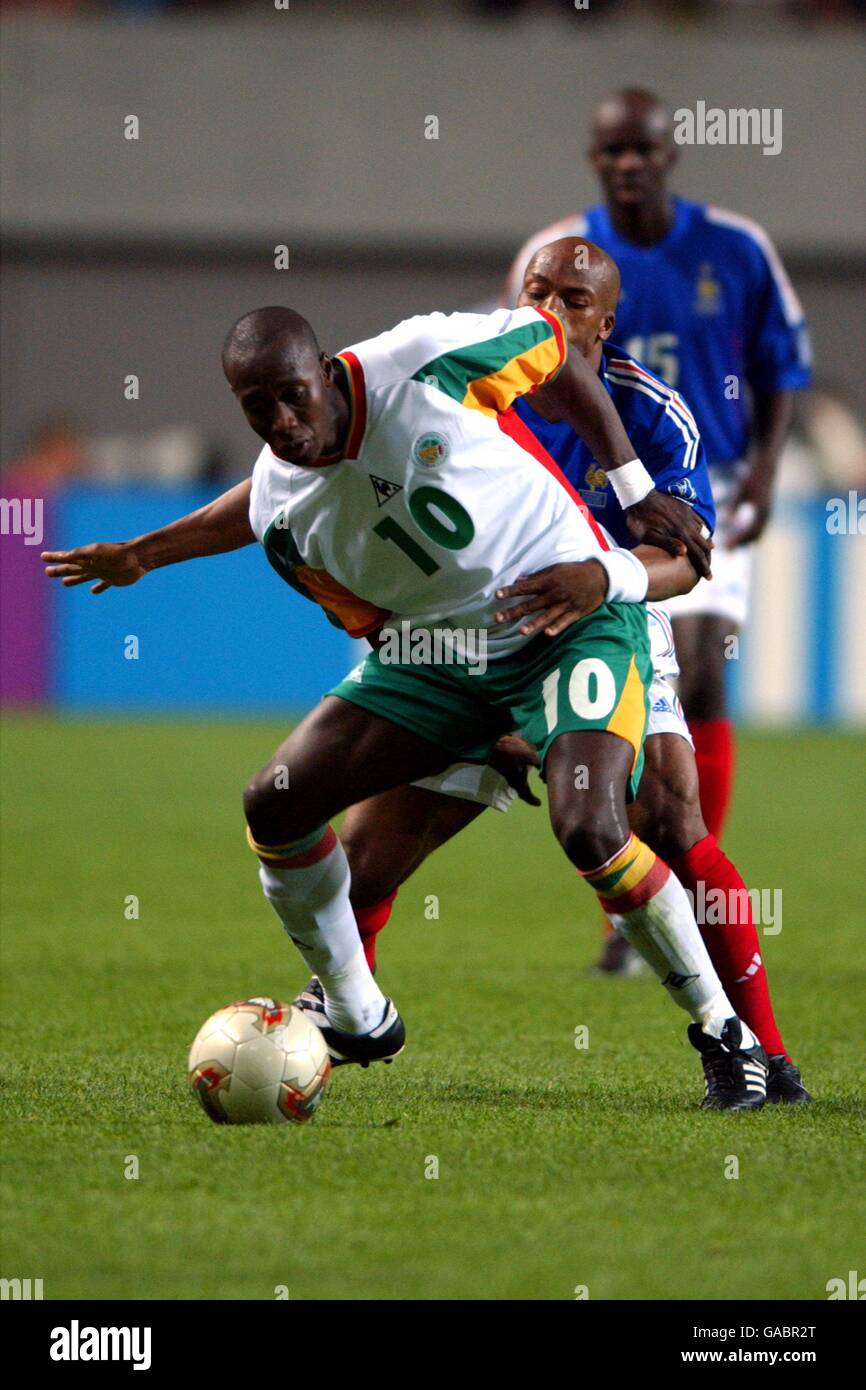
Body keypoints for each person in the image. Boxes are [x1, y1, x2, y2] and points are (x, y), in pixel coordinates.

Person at [43, 300, 770, 1109]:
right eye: (258, 410)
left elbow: (558, 346)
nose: (283, 421)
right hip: (443, 656)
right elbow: (366, 614)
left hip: (576, 619)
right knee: (275, 803)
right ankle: (358, 1013)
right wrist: (144, 554)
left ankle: (725, 1036)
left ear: (324, 371)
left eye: (293, 395)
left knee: (593, 826)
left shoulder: (424, 358)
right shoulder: (287, 521)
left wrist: (633, 491)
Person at [302, 239, 808, 1104]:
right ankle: (337, 1026)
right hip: (466, 637)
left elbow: (686, 559)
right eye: (536, 291)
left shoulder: (653, 412)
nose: (551, 309)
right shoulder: (455, 389)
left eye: (573, 299)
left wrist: (600, 575)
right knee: (363, 862)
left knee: (669, 818)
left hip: (603, 617)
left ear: (606, 326)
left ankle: (762, 1050)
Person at [503, 88, 812, 884]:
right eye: (614, 150)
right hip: (578, 496)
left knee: (702, 662)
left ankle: (686, 866)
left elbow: (782, 368)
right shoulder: (555, 253)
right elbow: (507, 369)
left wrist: (769, 472)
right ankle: (627, 881)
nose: (629, 163)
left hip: (709, 481)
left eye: (643, 148)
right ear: (595, 158)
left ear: (671, 153)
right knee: (603, 681)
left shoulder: (737, 249)